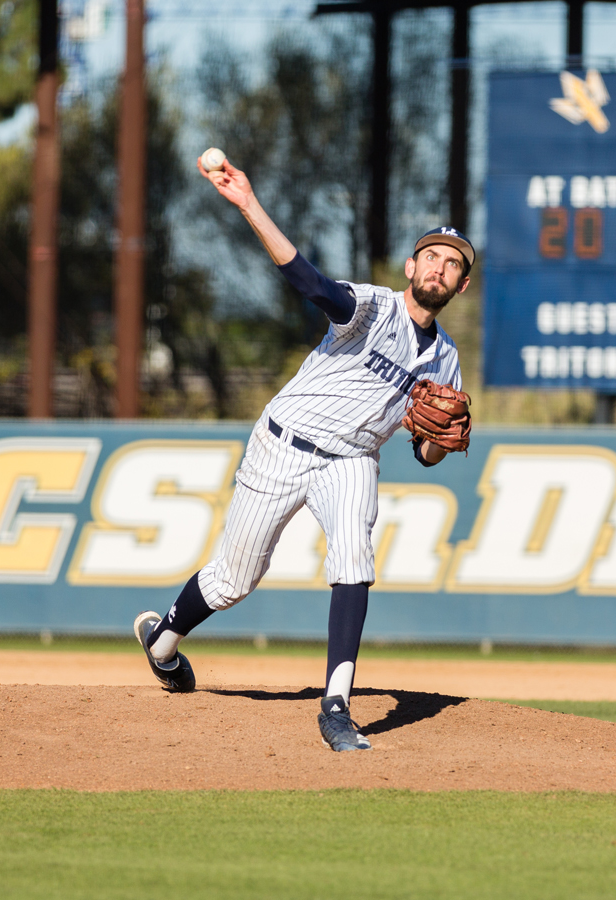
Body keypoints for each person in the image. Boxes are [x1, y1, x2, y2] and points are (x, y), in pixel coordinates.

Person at [132, 154, 471, 752]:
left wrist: (441, 442)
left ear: (461, 285)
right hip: (284, 443)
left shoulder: (446, 360)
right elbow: (309, 282)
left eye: (453, 265)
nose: (440, 269)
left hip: (352, 460)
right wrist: (247, 203)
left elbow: (424, 454)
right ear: (412, 264)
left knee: (354, 559)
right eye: (433, 257)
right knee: (235, 578)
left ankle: (336, 705)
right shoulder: (372, 308)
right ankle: (164, 643)